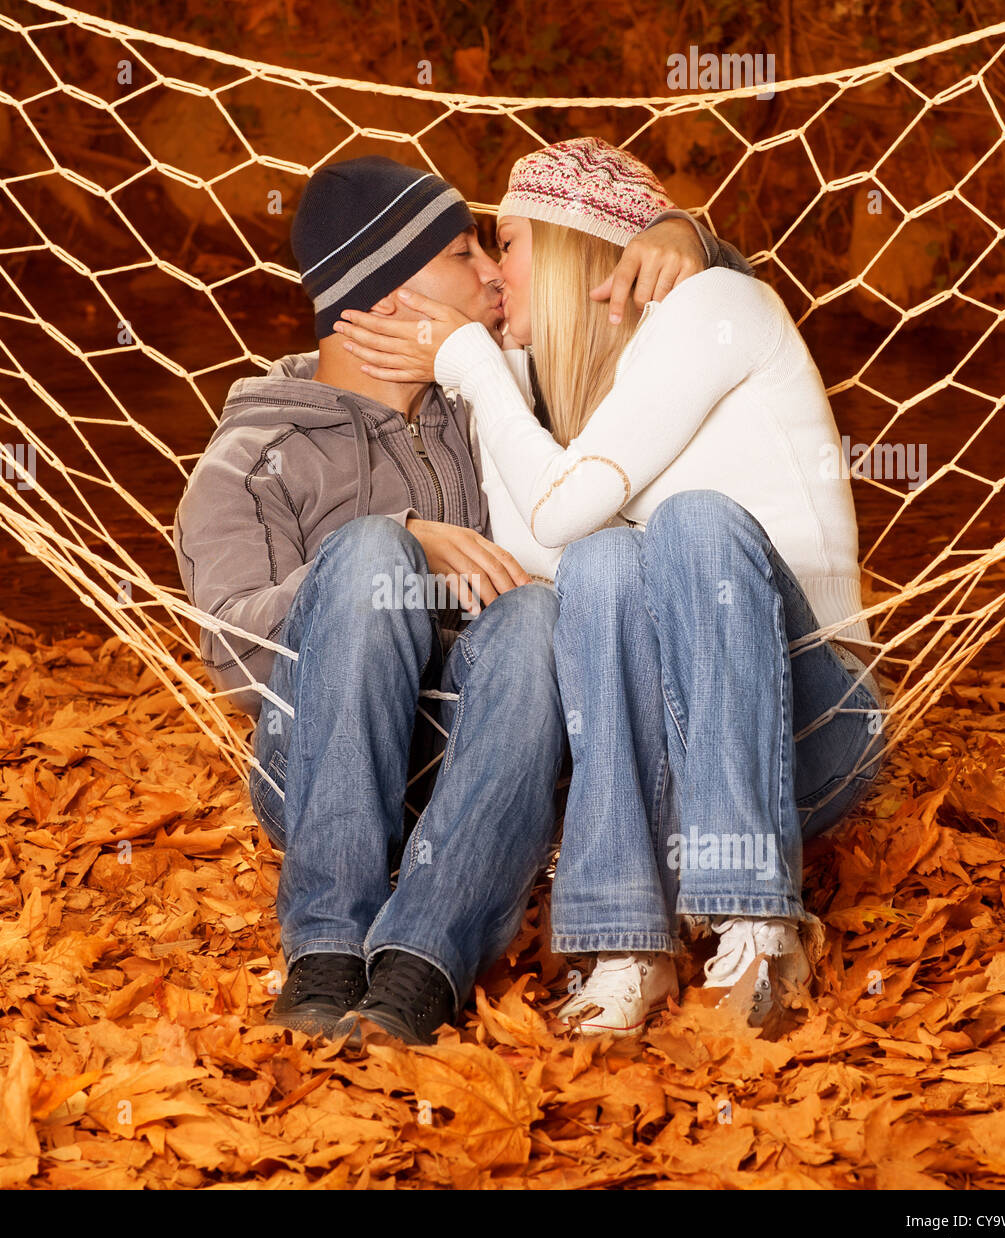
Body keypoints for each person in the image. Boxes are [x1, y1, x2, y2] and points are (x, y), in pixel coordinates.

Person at [174, 151, 754, 1046]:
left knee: (532, 615)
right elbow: (236, 658)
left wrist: (684, 238)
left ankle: (421, 964)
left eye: (493, 250)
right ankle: (326, 948)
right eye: (461, 254)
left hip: (495, 773)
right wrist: (397, 545)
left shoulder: (502, 396)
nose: (495, 272)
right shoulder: (258, 451)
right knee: (370, 547)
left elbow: (684, 330)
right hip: (328, 769)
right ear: (388, 295)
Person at [334, 137, 886, 1036]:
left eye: (504, 242)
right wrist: (497, 372)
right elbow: (544, 565)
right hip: (684, 744)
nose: (493, 270)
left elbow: (563, 508)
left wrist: (472, 358)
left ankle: (758, 921)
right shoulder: (570, 395)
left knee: (695, 520)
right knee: (600, 564)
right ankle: (629, 943)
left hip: (815, 720)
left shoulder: (715, 307)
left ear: (565, 244)